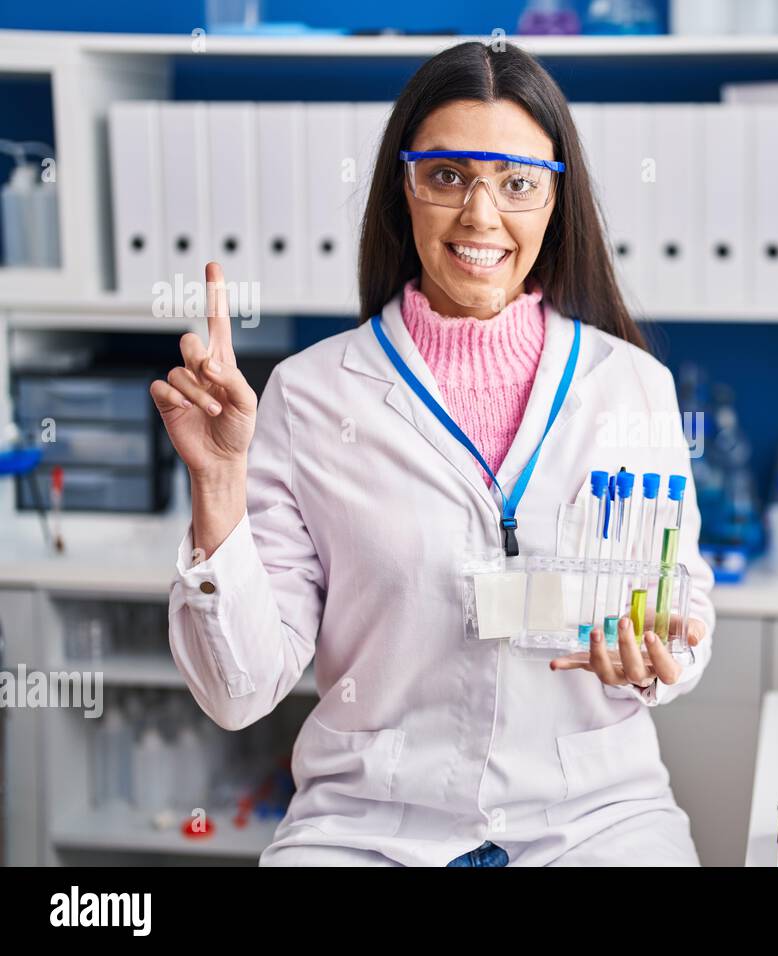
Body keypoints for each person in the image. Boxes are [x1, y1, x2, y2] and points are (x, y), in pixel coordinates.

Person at [150, 41, 714, 866]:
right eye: (447, 176)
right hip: (369, 823)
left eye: (518, 183)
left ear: (556, 201)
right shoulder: (309, 397)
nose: (481, 217)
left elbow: (686, 611)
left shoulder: (633, 387)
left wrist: (660, 663)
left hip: (596, 818)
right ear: (404, 190)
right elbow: (238, 693)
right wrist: (218, 486)